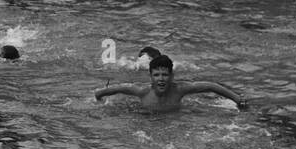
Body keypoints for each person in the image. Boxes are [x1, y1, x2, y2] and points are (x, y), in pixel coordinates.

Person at [94, 53, 246, 113]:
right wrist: (99, 96)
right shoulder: (142, 91)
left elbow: (211, 86)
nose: (161, 79)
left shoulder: (180, 89)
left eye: (165, 75)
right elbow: (118, 88)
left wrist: (237, 99)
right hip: (146, 116)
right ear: (150, 77)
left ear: (172, 76)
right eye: (157, 75)